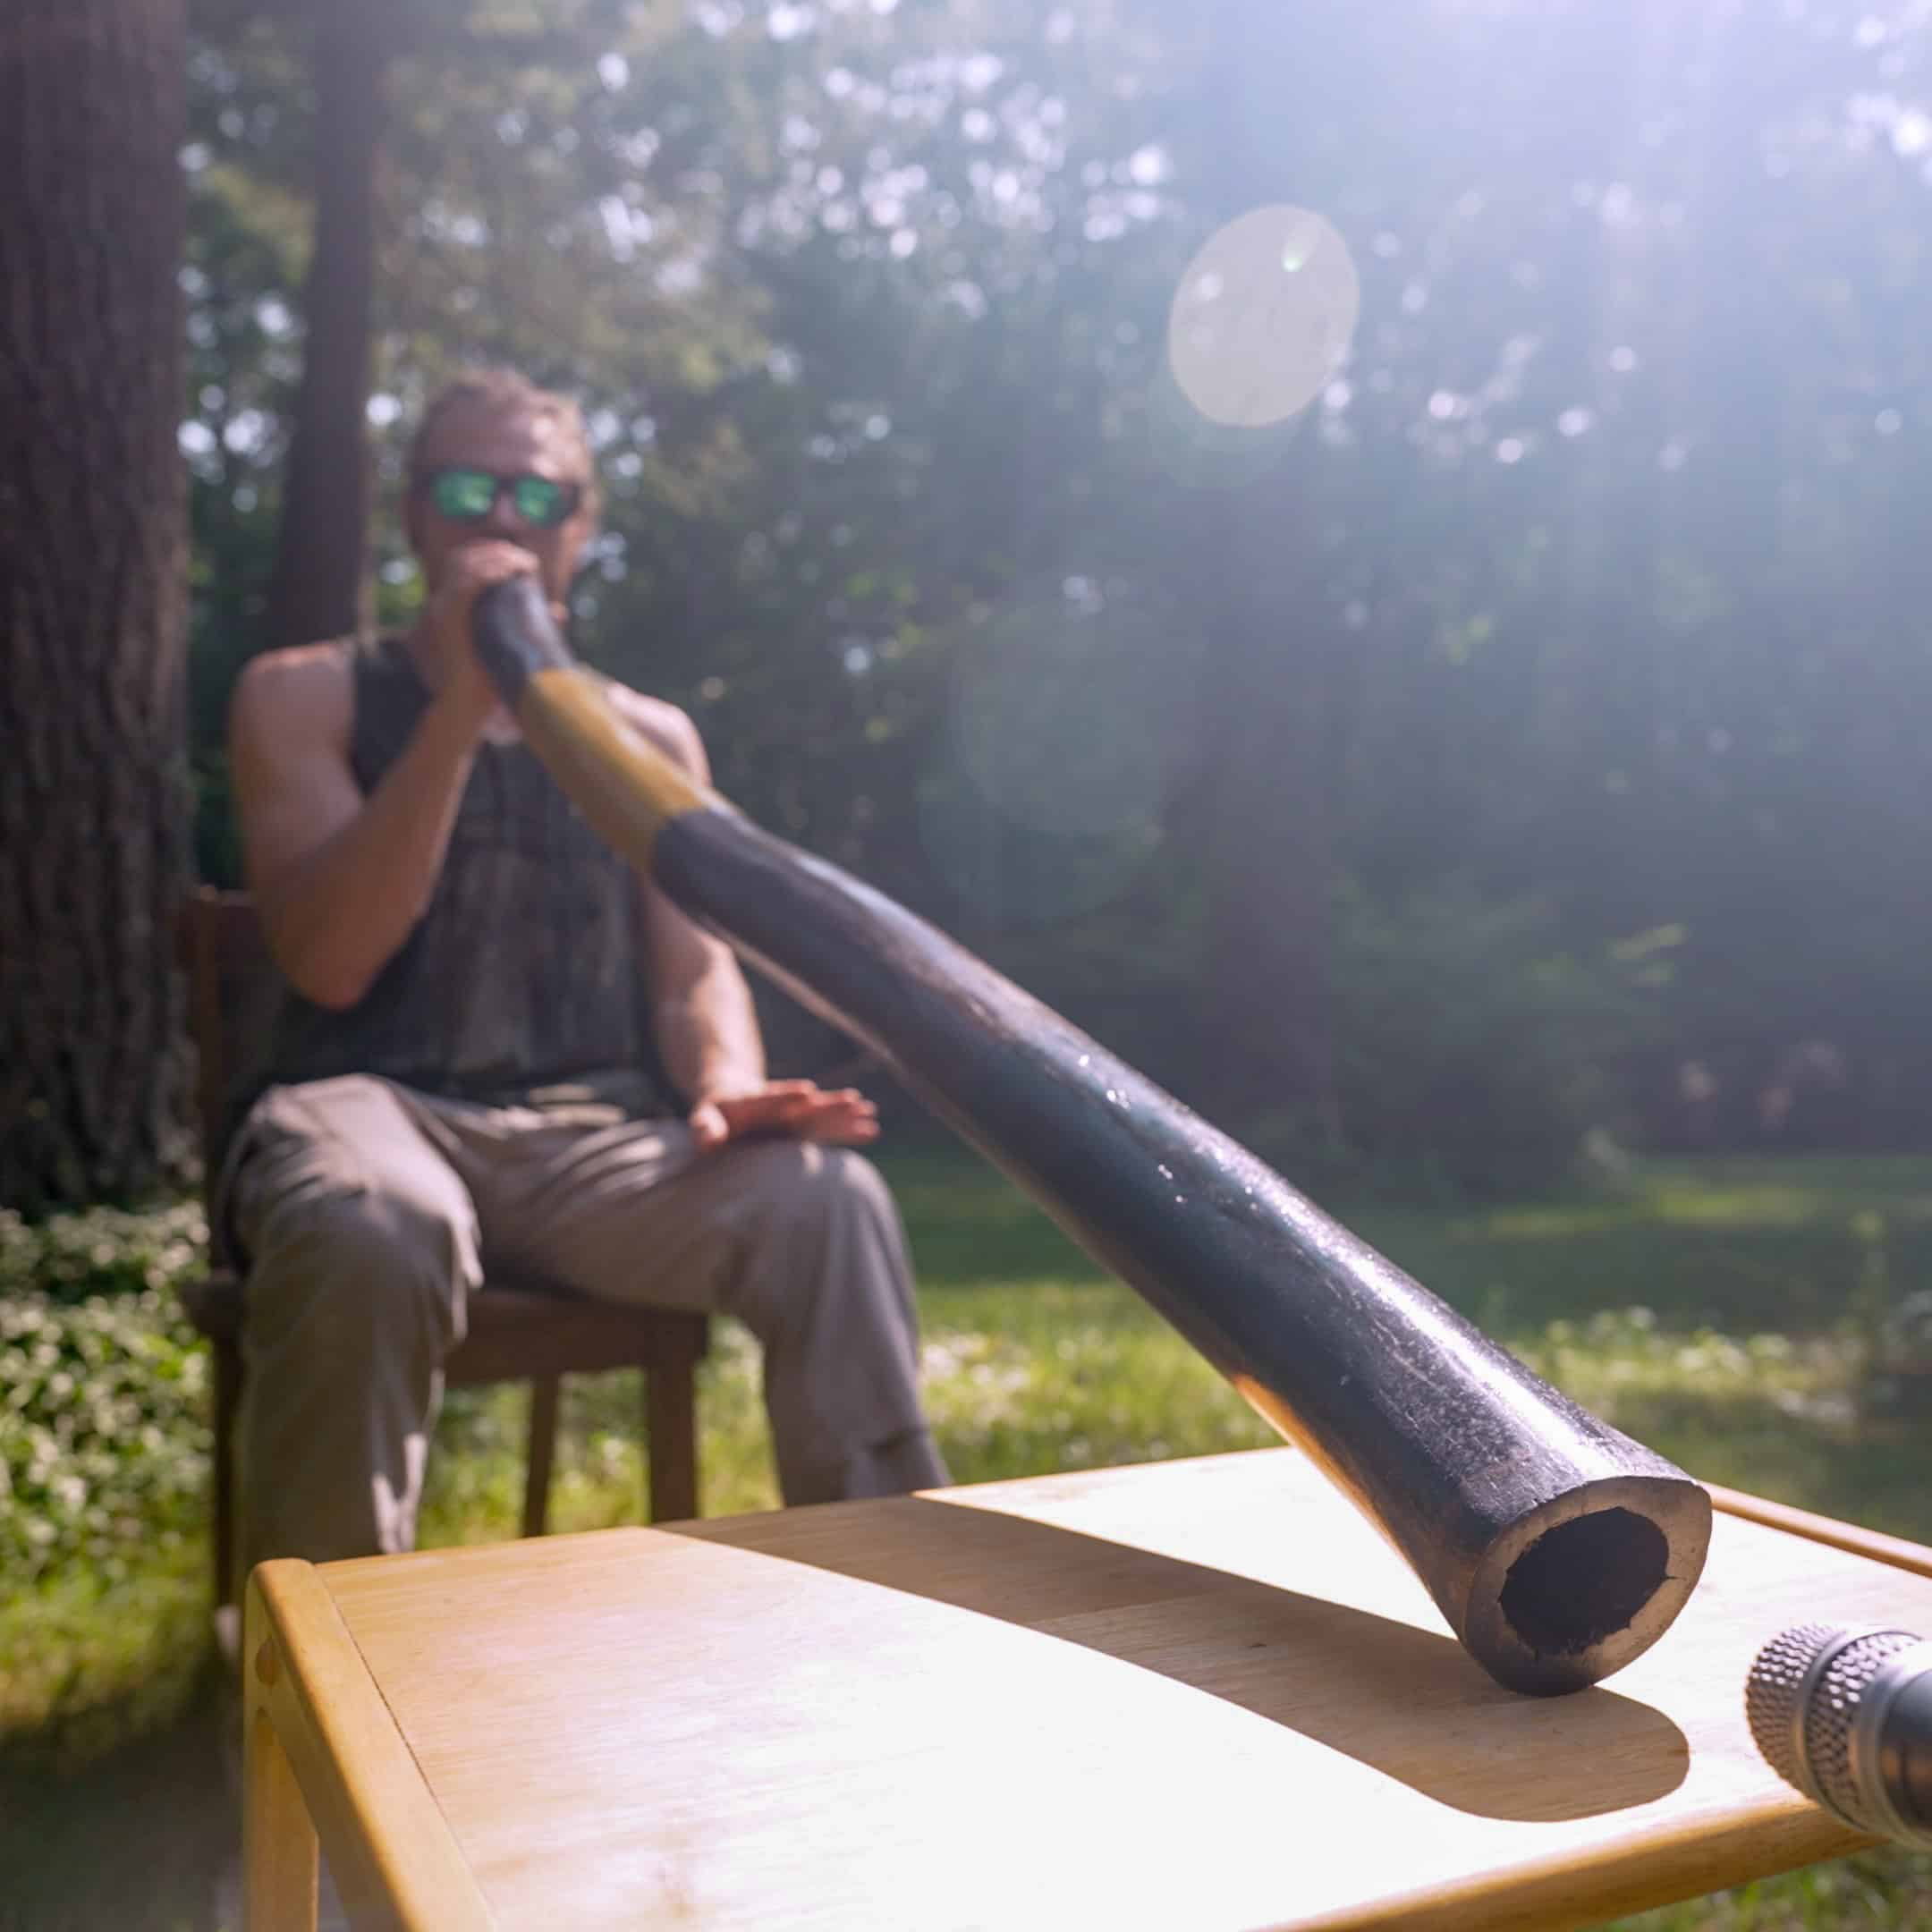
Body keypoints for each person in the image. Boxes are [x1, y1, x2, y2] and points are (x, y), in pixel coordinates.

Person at [221, 368, 948, 1584]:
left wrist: (726, 1083)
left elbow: (692, 969)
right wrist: (463, 706)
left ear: (581, 529)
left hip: (590, 1150)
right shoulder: (302, 694)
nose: (501, 522)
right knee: (375, 1228)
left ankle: (918, 1615)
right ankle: (314, 1706)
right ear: (416, 518)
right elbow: (332, 964)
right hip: (368, 1115)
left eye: (536, 496)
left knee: (830, 1205)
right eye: (467, 490)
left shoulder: (648, 738)